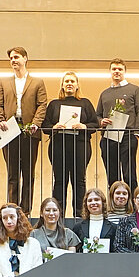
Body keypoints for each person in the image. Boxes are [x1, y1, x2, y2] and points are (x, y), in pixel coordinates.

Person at [0, 46, 48, 214]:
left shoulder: (37, 82)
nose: (13, 60)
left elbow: (42, 105)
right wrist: (0, 120)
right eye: (11, 58)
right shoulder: (3, 82)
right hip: (9, 130)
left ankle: (26, 210)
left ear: (25, 58)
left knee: (28, 172)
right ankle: (13, 208)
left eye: (16, 57)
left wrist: (36, 123)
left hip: (29, 131)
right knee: (12, 173)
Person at [44, 71, 98, 216]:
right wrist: (53, 127)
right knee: (60, 181)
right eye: (66, 81)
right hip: (58, 147)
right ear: (62, 85)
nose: (69, 84)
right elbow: (45, 125)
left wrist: (84, 126)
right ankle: (57, 215)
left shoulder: (85, 103)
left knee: (79, 180)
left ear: (77, 85)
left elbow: (95, 124)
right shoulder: (54, 104)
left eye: (72, 81)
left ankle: (80, 215)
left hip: (80, 146)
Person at [97, 58, 139, 188]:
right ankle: (115, 206)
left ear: (125, 71)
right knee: (112, 176)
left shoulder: (134, 89)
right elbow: (97, 115)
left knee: (129, 174)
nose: (117, 71)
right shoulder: (104, 93)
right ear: (110, 71)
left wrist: (136, 132)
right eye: (114, 69)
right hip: (108, 136)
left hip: (128, 135)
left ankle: (132, 206)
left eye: (120, 69)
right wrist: (101, 121)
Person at [0, 204, 42, 277]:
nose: (9, 221)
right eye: (5, 218)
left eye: (12, 217)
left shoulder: (33, 243)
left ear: (19, 218)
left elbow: (37, 270)